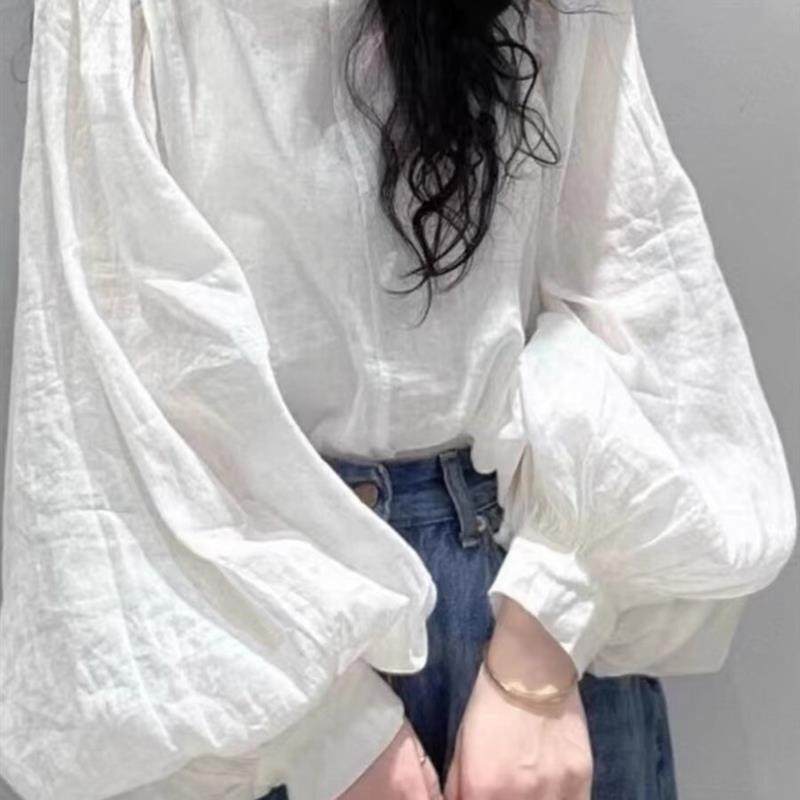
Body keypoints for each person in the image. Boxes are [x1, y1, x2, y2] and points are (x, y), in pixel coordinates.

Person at [0, 1, 796, 799]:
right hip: (246, 651)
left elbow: (630, 273)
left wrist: (547, 630)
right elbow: (106, 349)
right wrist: (332, 734)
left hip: (527, 593)